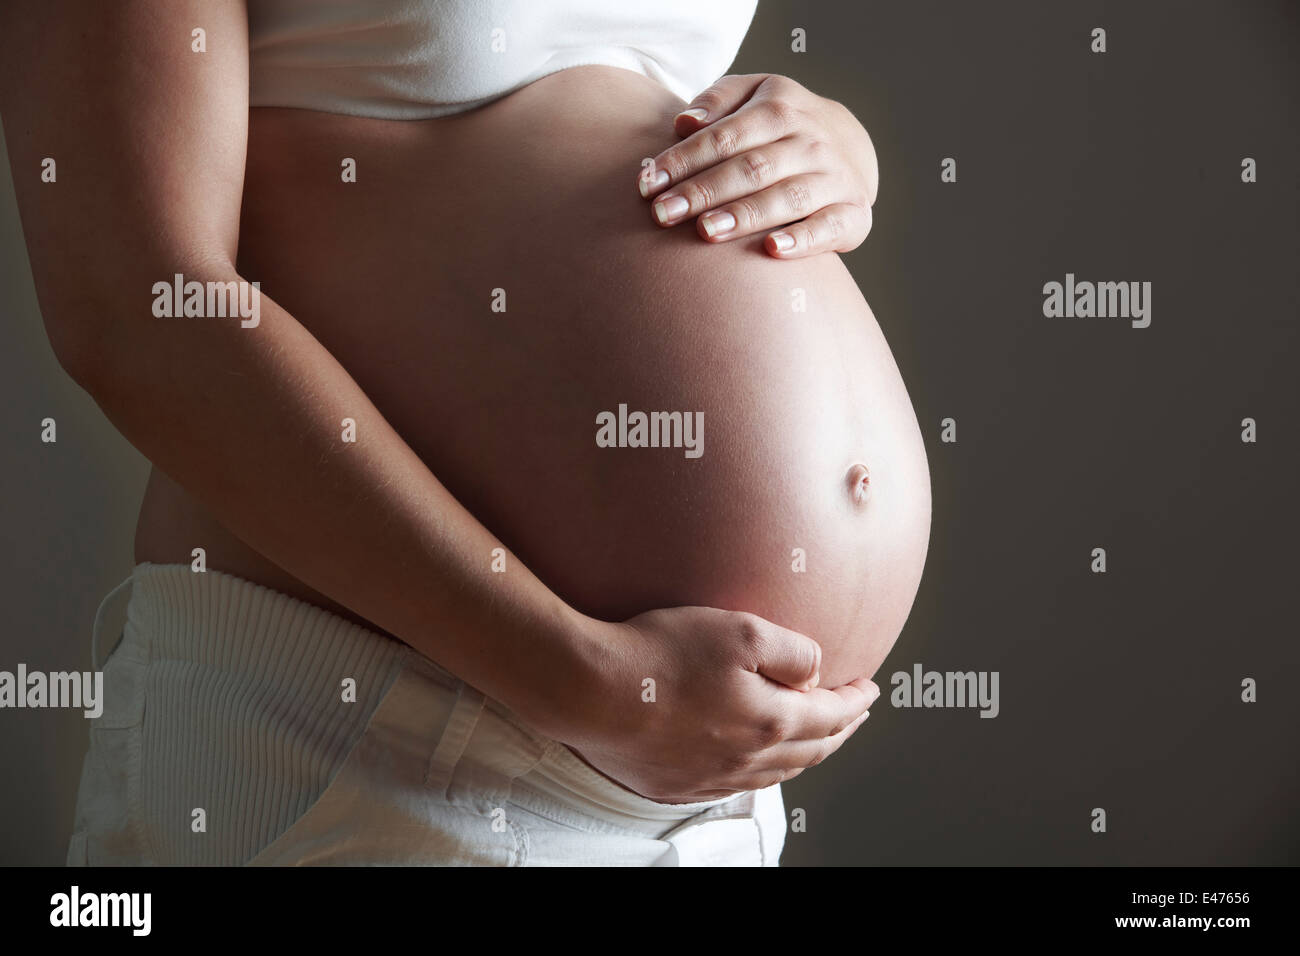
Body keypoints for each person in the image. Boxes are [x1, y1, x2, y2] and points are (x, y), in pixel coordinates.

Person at [1, 0, 930, 865]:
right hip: (366, 738)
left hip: (694, 794)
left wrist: (828, 151)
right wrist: (584, 682)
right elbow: (135, 304)